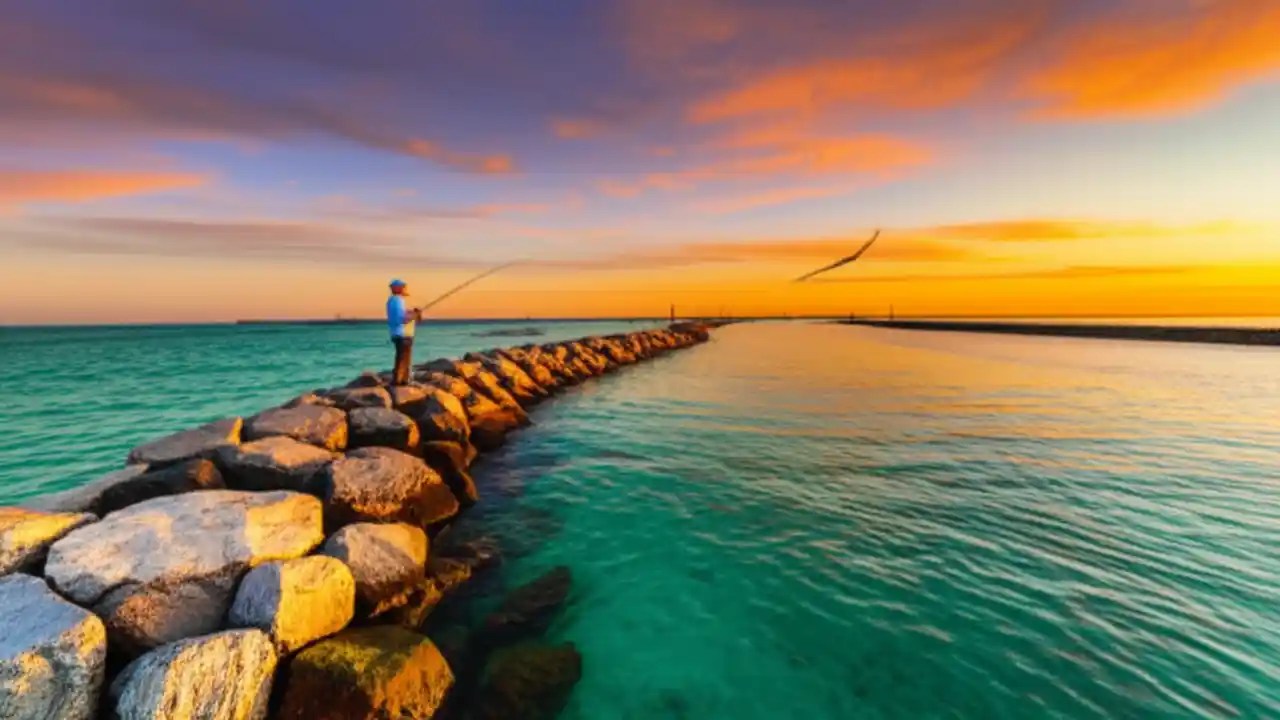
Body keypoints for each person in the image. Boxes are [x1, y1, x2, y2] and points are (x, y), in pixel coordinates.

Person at [386, 279, 421, 385]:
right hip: (403, 334)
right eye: (403, 287)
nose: (405, 289)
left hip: (398, 333)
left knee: (403, 357)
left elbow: (401, 315)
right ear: (398, 288)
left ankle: (404, 380)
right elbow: (402, 319)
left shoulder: (392, 301)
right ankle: (399, 381)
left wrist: (412, 313)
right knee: (403, 358)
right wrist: (415, 314)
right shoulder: (397, 300)